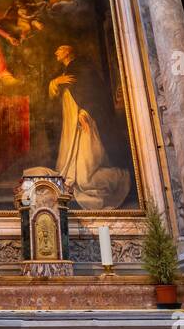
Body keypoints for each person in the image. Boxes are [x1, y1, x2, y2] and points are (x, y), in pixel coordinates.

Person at [47, 43, 130, 208]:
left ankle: (123, 176)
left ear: (69, 51)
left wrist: (85, 112)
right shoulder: (63, 72)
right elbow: (53, 98)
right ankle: (71, 181)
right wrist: (54, 82)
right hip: (69, 121)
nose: (56, 51)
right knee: (70, 159)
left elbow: (93, 92)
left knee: (86, 173)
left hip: (83, 119)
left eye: (61, 48)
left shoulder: (82, 67)